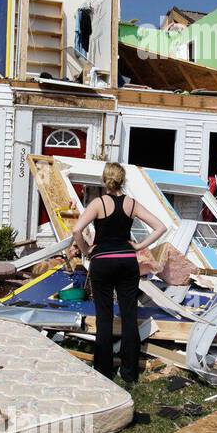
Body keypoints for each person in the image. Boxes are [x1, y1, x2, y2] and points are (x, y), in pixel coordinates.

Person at [70, 162, 166, 383]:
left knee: (104, 317)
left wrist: (87, 251)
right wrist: (139, 246)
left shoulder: (98, 203)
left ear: (105, 180)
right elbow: (161, 227)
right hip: (126, 262)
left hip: (102, 262)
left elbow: (77, 230)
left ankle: (103, 371)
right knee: (129, 316)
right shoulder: (132, 204)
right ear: (123, 180)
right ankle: (130, 372)